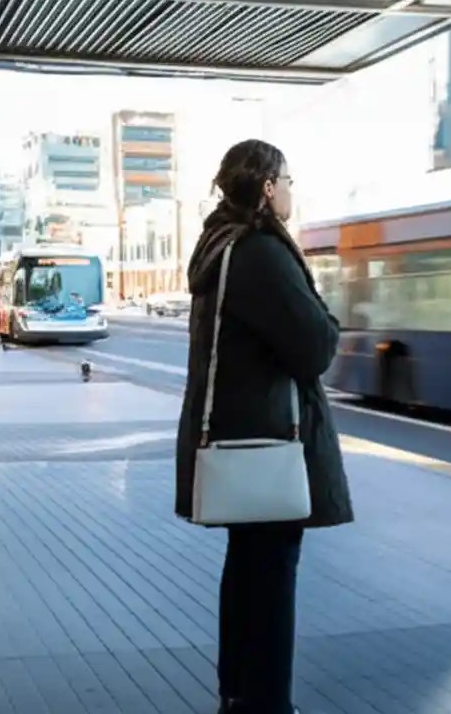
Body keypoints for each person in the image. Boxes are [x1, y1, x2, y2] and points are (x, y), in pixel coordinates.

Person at [176, 140, 354, 714]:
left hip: (238, 437)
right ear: (270, 187)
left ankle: (238, 694)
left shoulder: (219, 246)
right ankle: (267, 704)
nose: (293, 193)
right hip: (269, 441)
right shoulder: (259, 252)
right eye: (290, 181)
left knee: (248, 572)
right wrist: (325, 315)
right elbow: (316, 345)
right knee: (272, 579)